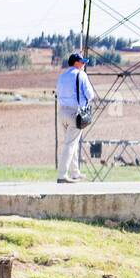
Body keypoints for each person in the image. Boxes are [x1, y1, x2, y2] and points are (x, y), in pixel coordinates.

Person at [55, 53, 96, 184]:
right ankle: (62, 175)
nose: (84, 64)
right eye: (82, 62)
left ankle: (75, 172)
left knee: (72, 142)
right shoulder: (81, 75)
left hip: (62, 112)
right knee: (70, 144)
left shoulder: (62, 76)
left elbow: (58, 93)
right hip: (75, 113)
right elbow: (90, 95)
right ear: (76, 63)